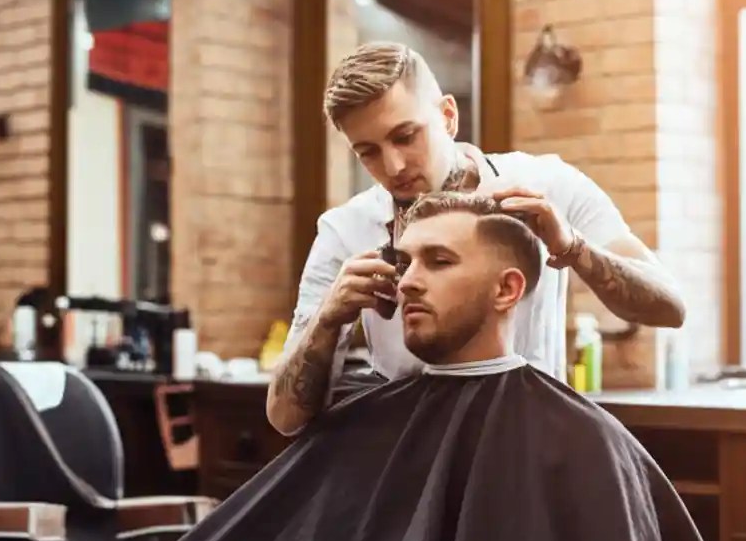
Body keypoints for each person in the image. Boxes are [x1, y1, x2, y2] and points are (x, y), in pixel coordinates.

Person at [114, 193, 726, 541]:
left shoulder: (585, 442)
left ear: (507, 290)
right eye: (404, 263)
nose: (408, 281)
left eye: (438, 261)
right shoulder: (362, 421)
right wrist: (327, 320)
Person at [267, 41, 686, 435]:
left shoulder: (549, 184)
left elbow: (670, 309)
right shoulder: (345, 230)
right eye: (368, 152)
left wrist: (571, 247)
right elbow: (284, 418)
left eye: (405, 136)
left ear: (448, 116)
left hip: (529, 446)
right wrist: (328, 318)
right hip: (410, 461)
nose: (393, 167)